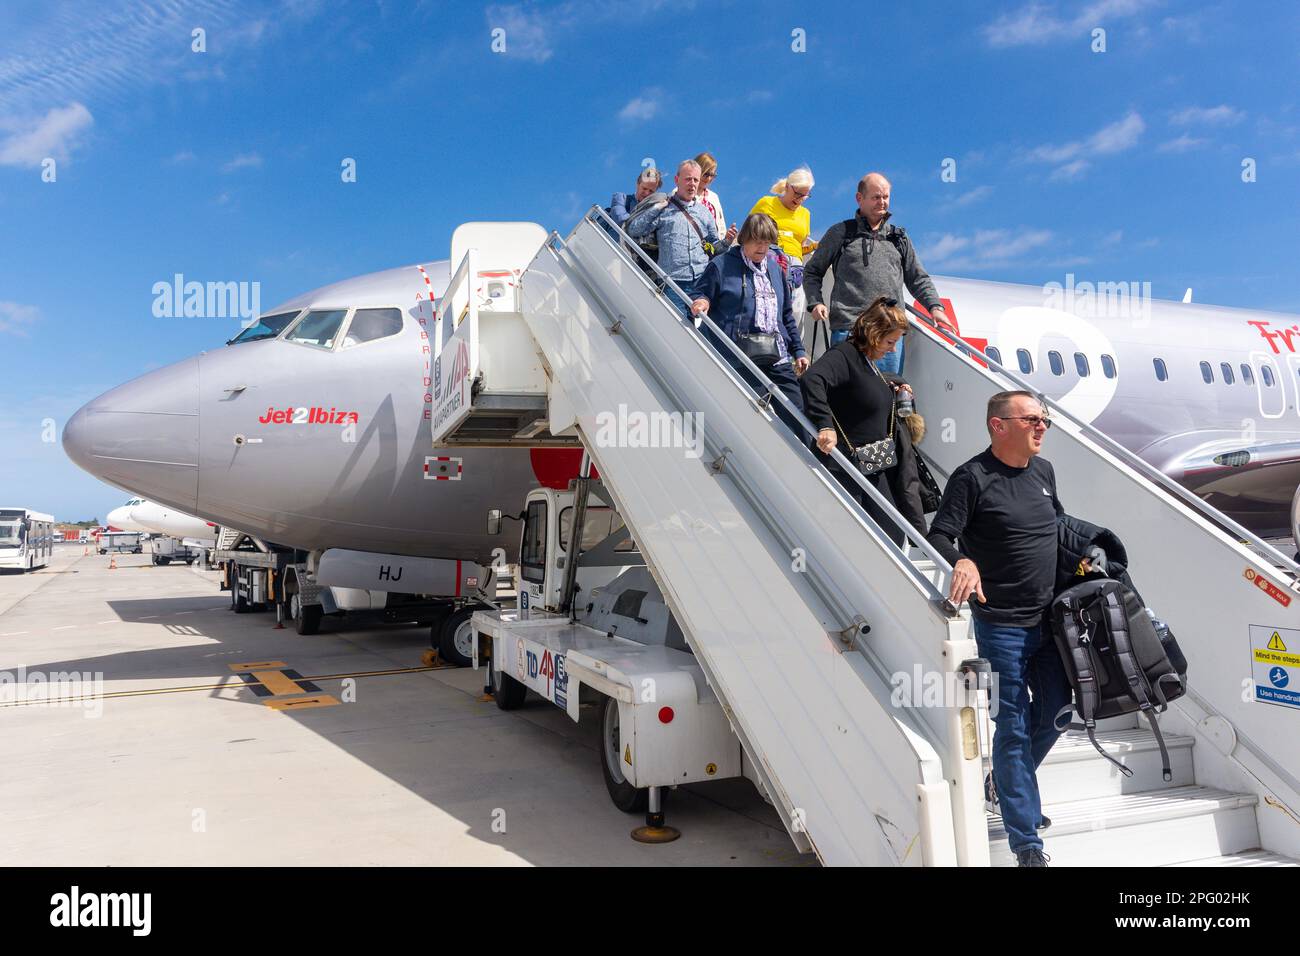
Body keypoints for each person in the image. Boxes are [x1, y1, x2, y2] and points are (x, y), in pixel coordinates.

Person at [925, 390, 1071, 868]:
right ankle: (1026, 842)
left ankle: (1002, 785)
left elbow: (1059, 525)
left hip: (1049, 621)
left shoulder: (1045, 473)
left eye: (1044, 419)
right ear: (998, 425)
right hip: (1000, 627)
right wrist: (962, 559)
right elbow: (940, 534)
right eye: (1032, 419)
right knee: (1010, 725)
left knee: (1058, 711)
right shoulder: (972, 478)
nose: (1042, 426)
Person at [801, 296, 927, 546]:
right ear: (873, 334)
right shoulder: (845, 354)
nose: (893, 350)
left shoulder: (870, 363)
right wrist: (825, 425)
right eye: (890, 342)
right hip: (848, 469)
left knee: (891, 537)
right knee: (866, 542)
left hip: (874, 466)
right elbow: (812, 379)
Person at [802, 172, 954, 374]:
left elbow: (918, 278)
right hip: (850, 329)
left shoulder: (898, 238)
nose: (882, 202)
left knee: (886, 393)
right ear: (859, 198)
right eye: (876, 197)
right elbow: (812, 271)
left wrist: (935, 307)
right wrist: (815, 301)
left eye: (886, 197)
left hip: (889, 330)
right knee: (847, 398)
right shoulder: (840, 233)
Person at [690, 213, 808, 420]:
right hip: (739, 356)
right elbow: (700, 292)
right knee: (756, 414)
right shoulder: (722, 264)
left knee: (797, 411)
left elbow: (786, 315)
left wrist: (798, 351)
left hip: (777, 354)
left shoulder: (775, 269)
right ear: (744, 239)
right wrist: (703, 301)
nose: (762, 248)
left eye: (766, 243)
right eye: (756, 242)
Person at [627, 159, 737, 317]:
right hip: (673, 284)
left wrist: (726, 241)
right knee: (677, 333)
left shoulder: (704, 212)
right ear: (677, 180)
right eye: (688, 179)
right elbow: (634, 230)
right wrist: (657, 207)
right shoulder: (664, 207)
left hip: (703, 283)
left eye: (696, 180)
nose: (692, 184)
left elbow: (713, 249)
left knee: (705, 336)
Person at [750, 166, 818, 358]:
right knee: (770, 305)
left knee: (795, 310)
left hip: (795, 265)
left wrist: (812, 248)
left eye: (805, 196)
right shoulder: (767, 203)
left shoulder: (805, 214)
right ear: (787, 187)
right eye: (797, 194)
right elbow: (750, 231)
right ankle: (766, 350)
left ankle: (791, 354)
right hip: (770, 259)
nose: (799, 200)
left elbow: (798, 244)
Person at [692, 151, 727, 239]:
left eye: (712, 175)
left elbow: (721, 226)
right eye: (706, 174)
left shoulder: (714, 197)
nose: (709, 178)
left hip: (713, 249)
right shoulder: (680, 192)